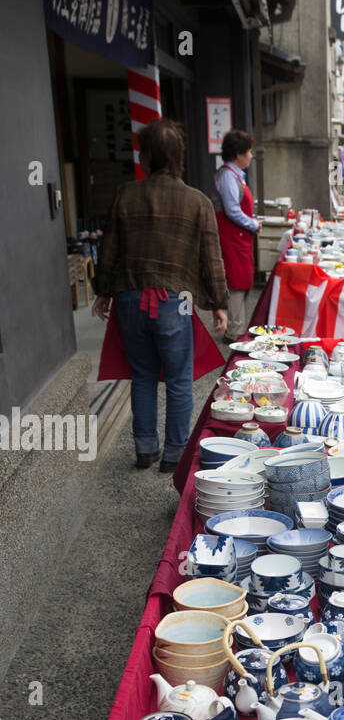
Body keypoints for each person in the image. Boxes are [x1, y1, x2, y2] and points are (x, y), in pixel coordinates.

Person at [93, 118, 228, 472]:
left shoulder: (125, 194)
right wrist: (218, 303)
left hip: (129, 297)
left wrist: (103, 291)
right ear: (179, 157)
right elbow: (210, 258)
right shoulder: (197, 202)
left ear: (147, 156)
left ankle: (144, 448)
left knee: (142, 375)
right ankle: (174, 455)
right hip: (176, 300)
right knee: (180, 380)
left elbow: (109, 249)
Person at [210, 129, 260, 343]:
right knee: (236, 285)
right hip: (232, 239)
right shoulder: (227, 177)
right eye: (248, 151)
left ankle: (238, 330)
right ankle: (234, 334)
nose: (251, 156)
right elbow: (232, 210)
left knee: (242, 284)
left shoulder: (236, 176)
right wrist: (253, 224)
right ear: (238, 153)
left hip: (240, 240)